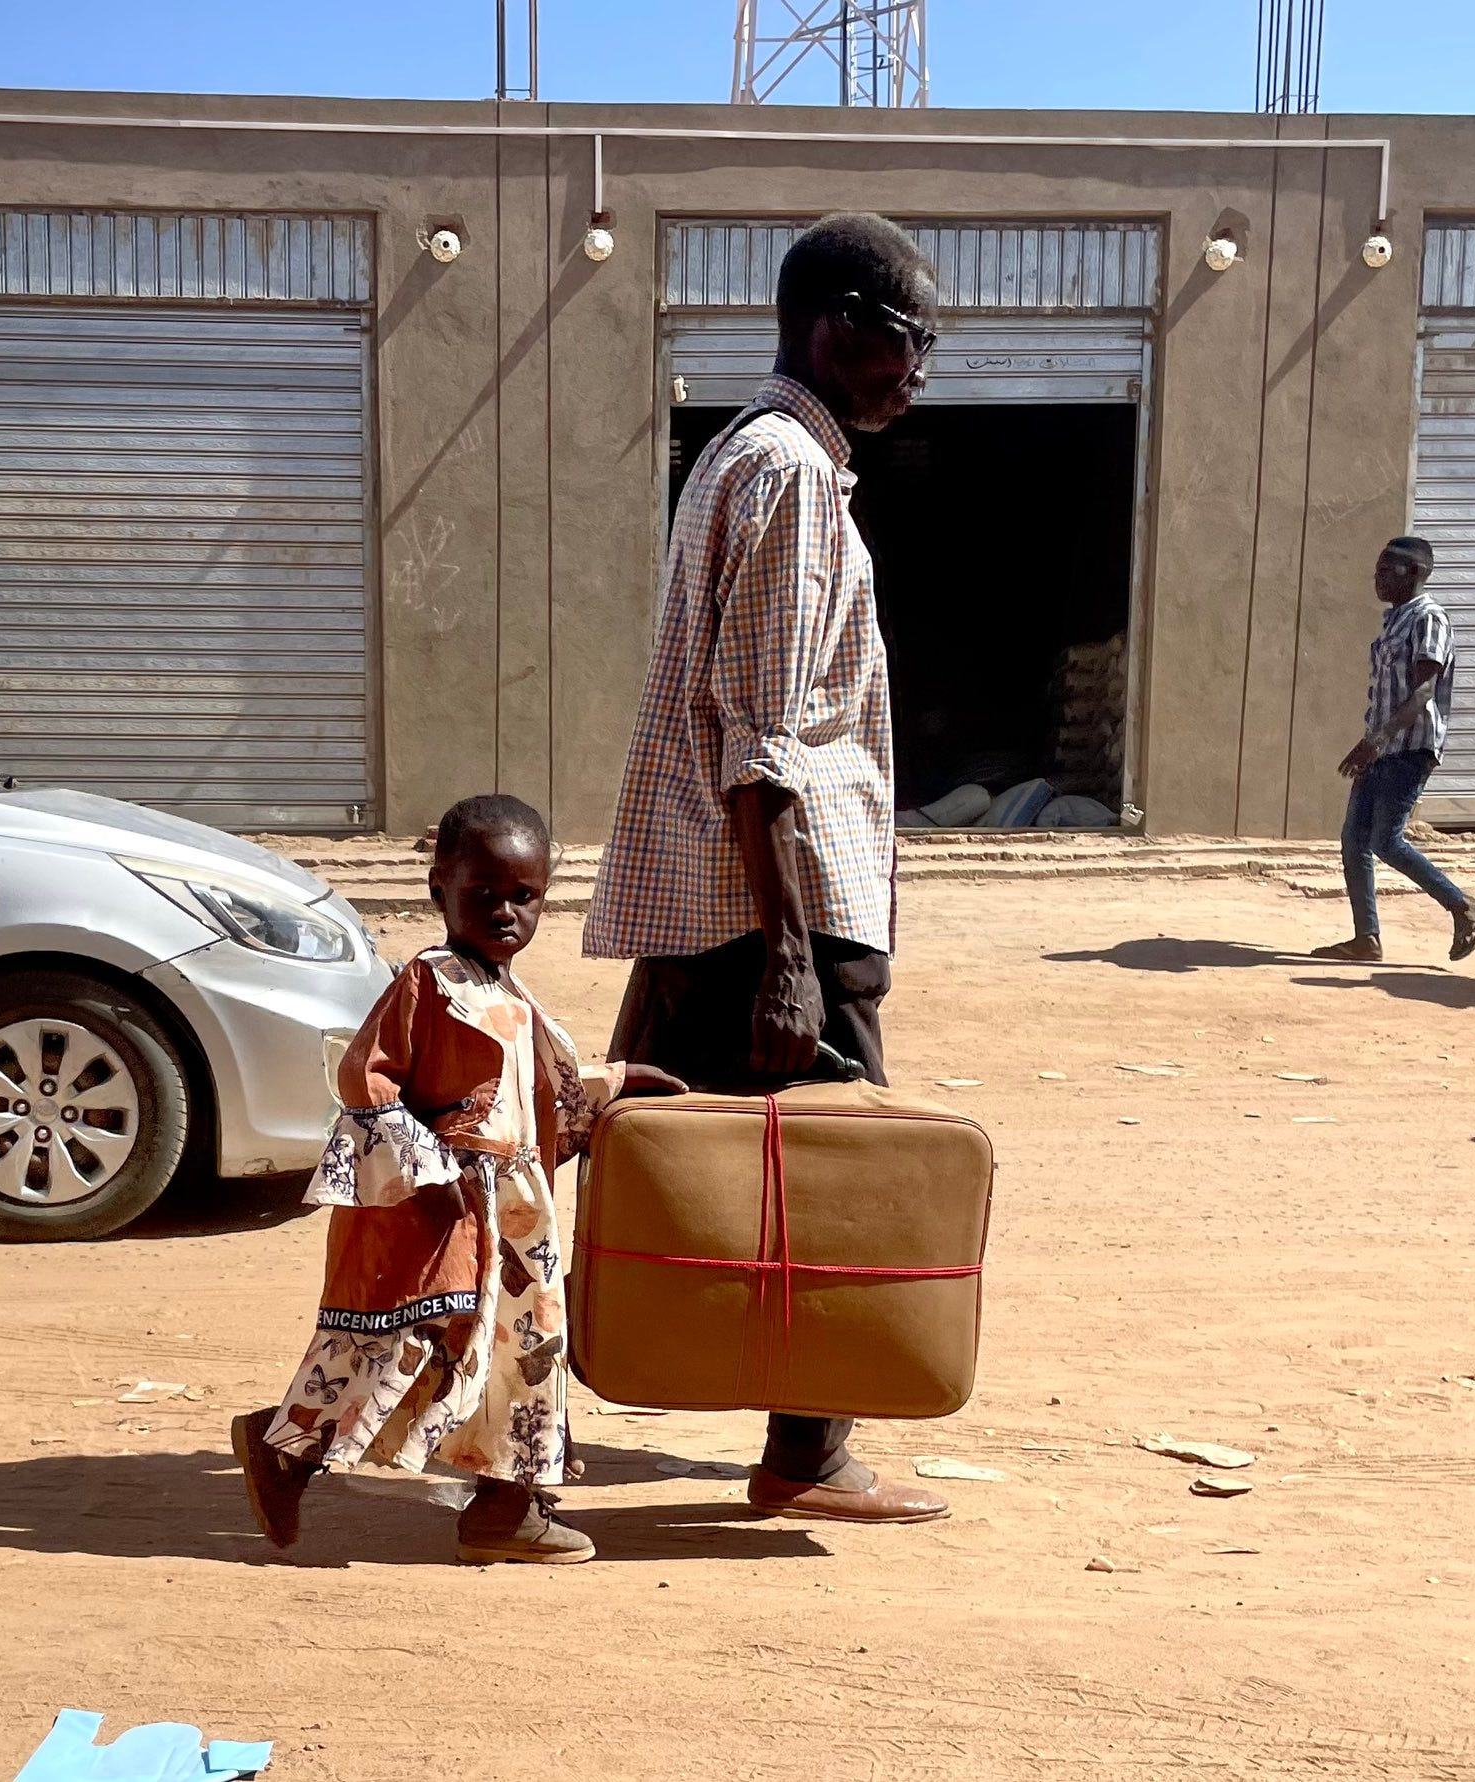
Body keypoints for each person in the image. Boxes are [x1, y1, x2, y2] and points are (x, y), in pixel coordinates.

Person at [584, 213, 950, 1526]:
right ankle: (808, 1451)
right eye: (913, 338)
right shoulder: (789, 470)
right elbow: (766, 741)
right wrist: (794, 959)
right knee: (848, 1189)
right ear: (837, 327)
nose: (923, 367)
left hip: (711, 904)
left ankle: (466, 1405)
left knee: (643, 1162)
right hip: (768, 910)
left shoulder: (750, 455)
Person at [230, 795, 684, 1565]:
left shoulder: (511, 994)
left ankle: (507, 1508)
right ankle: (286, 1449)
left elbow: (542, 1097)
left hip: (515, 1218)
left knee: (522, 1353)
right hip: (438, 1214)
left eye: (524, 896)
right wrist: (428, 1171)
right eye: (484, 894)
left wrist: (614, 1080)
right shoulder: (428, 982)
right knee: (401, 1349)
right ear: (440, 887)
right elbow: (365, 1083)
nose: (506, 911)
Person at [1315, 536, 1475, 965]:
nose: (1377, 578)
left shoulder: (1429, 619)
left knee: (1386, 840)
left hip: (1408, 747)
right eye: (1376, 570)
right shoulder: (1394, 620)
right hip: (1380, 747)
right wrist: (1373, 742)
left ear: (1414, 573)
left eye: (1386, 571)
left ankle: (1464, 907)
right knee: (1354, 839)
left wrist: (1376, 741)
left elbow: (1423, 692)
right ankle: (1366, 939)